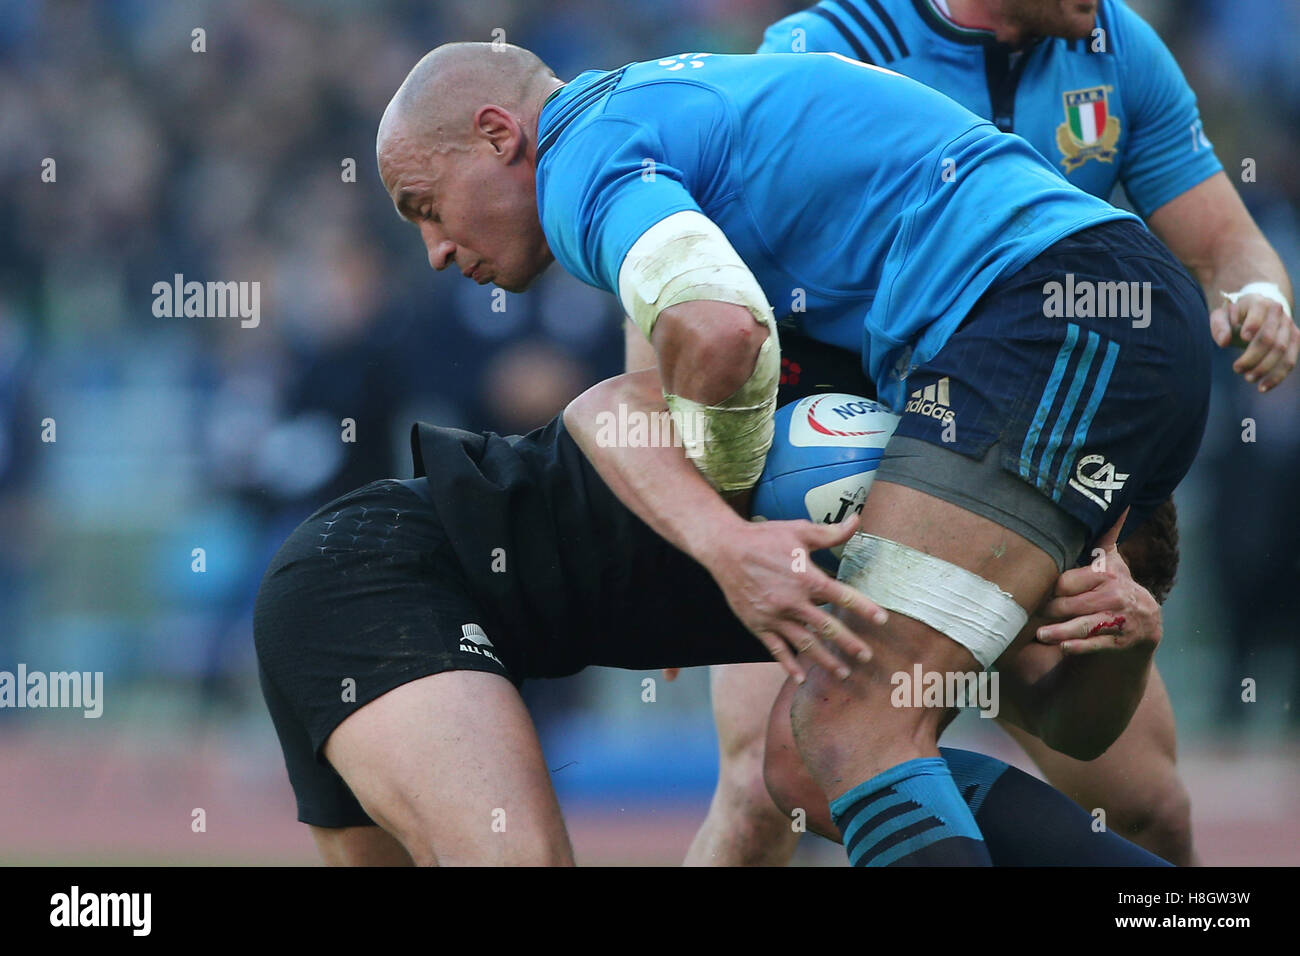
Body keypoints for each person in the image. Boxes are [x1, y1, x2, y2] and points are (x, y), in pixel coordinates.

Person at [372, 40, 1218, 865]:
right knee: (807, 760)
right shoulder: (662, 118)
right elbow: (1071, 722)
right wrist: (1132, 643)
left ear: (498, 134)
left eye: (424, 205)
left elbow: (718, 329)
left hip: (1045, 321)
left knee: (857, 724)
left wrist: (715, 532)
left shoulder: (579, 153)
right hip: (1076, 327)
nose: (437, 251)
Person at [681, 0, 1300, 868]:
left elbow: (1228, 246)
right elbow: (691, 282)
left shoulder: (1116, 45)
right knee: (764, 789)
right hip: (833, 475)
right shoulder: (831, 47)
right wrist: (692, 524)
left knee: (1144, 806)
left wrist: (1262, 298)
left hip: (1019, 463)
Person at [254, 409, 1166, 866]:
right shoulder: (949, 500)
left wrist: (1131, 646)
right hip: (379, 571)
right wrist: (717, 544)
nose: (1021, 649)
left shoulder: (956, 557)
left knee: (806, 771)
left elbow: (811, 760)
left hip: (412, 601)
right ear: (1097, 537)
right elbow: (607, 405)